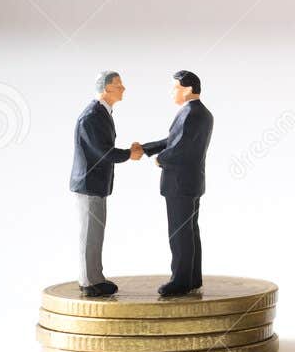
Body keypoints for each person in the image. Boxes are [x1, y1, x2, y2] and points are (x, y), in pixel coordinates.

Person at [69, 72, 143, 297]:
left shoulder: (103, 113)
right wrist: (129, 154)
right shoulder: (92, 115)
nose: (123, 88)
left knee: (96, 233)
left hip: (97, 184)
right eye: (118, 84)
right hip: (89, 184)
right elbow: (103, 152)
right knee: (90, 233)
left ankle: (95, 277)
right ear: (106, 89)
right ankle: (88, 281)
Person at [142, 70, 214, 296]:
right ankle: (192, 277)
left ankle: (181, 280)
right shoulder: (198, 113)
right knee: (190, 231)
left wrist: (160, 159)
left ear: (188, 89)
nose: (172, 91)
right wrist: (146, 148)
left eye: (175, 87)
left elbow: (182, 149)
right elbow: (172, 141)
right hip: (190, 182)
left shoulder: (193, 114)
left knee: (179, 233)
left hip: (180, 183)